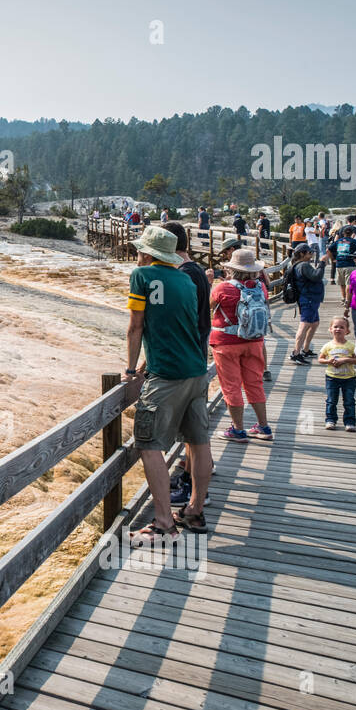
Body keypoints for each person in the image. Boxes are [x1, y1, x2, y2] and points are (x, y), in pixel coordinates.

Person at [124, 225, 213, 542]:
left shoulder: (142, 276)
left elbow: (136, 326)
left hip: (166, 375)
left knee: (148, 444)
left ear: (147, 253)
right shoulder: (187, 280)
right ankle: (194, 510)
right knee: (199, 440)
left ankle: (163, 523)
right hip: (197, 371)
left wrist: (131, 369)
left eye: (139, 250)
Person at [163, 221, 213, 507]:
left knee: (194, 431)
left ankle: (192, 489)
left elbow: (184, 319)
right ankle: (187, 470)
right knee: (195, 430)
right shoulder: (195, 270)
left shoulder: (186, 275)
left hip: (188, 359)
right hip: (197, 354)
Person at [209, 249, 273, 442]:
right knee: (255, 384)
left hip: (226, 343)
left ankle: (238, 430)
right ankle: (264, 427)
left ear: (231, 269)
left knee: (232, 387)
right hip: (254, 341)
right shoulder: (260, 287)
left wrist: (210, 283)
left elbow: (207, 306)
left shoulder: (223, 288)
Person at [317, 316, 356, 431]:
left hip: (349, 378)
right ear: (330, 329)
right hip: (332, 377)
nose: (338, 329)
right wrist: (328, 361)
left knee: (349, 401)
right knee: (331, 400)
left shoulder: (351, 346)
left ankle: (350, 422)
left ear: (347, 331)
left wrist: (345, 360)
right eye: (335, 327)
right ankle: (331, 420)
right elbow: (320, 359)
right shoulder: (328, 346)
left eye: (342, 327)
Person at [288, 243, 328, 363]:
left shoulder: (299, 265)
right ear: (302, 254)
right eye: (310, 252)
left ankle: (305, 350)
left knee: (314, 323)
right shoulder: (304, 265)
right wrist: (322, 264)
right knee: (304, 325)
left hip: (310, 299)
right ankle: (296, 353)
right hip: (308, 299)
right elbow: (316, 277)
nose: (312, 254)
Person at [330, 224, 356, 305]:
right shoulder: (354, 242)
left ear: (343, 233)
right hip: (350, 265)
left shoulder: (338, 241)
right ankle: (347, 300)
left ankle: (343, 298)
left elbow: (328, 250)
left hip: (339, 264)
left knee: (342, 283)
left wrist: (333, 259)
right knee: (348, 284)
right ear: (351, 234)